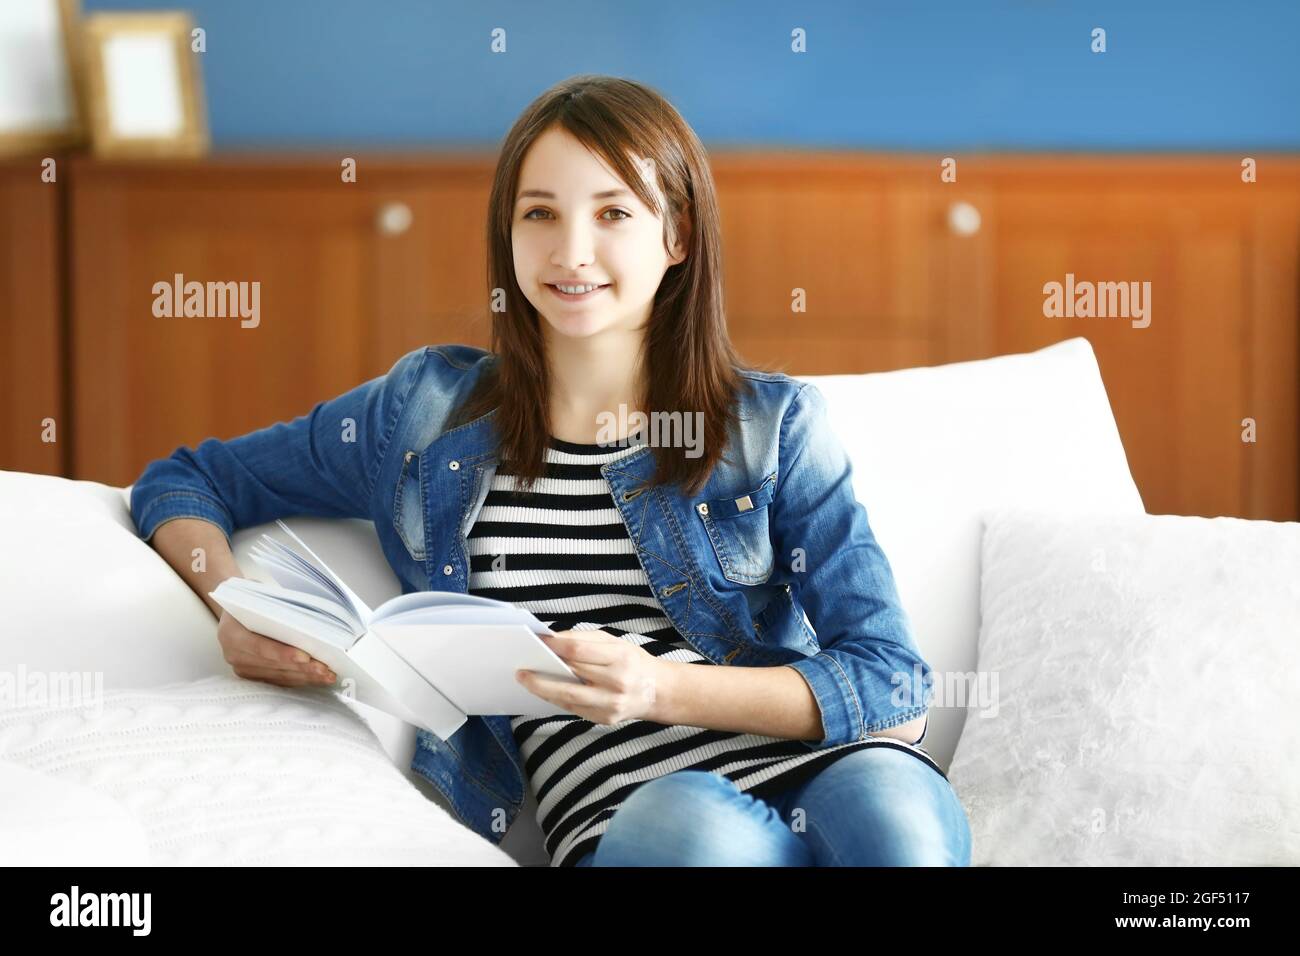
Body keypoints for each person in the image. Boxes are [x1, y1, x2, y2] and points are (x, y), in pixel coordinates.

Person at [131, 74, 971, 867]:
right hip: (637, 818)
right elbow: (185, 480)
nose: (571, 251)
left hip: (822, 765)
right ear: (509, 231)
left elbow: (889, 675)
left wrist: (662, 690)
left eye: (613, 213)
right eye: (540, 214)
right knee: (692, 833)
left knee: (891, 823)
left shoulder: (772, 426)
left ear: (676, 234)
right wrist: (234, 610)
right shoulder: (423, 413)